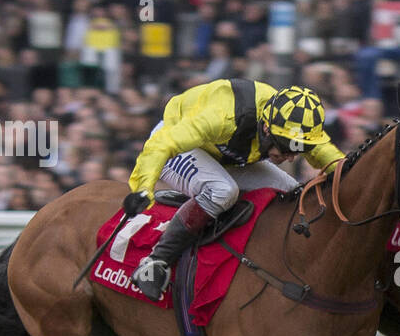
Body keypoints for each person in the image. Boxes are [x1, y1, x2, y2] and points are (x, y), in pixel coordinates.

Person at [123, 80, 344, 301]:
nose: (292, 157)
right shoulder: (222, 117)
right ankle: (154, 263)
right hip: (175, 146)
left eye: (299, 149)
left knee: (292, 193)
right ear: (266, 128)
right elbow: (162, 145)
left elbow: (334, 161)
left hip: (225, 155)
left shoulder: (292, 124)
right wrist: (142, 190)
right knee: (223, 191)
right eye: (285, 148)